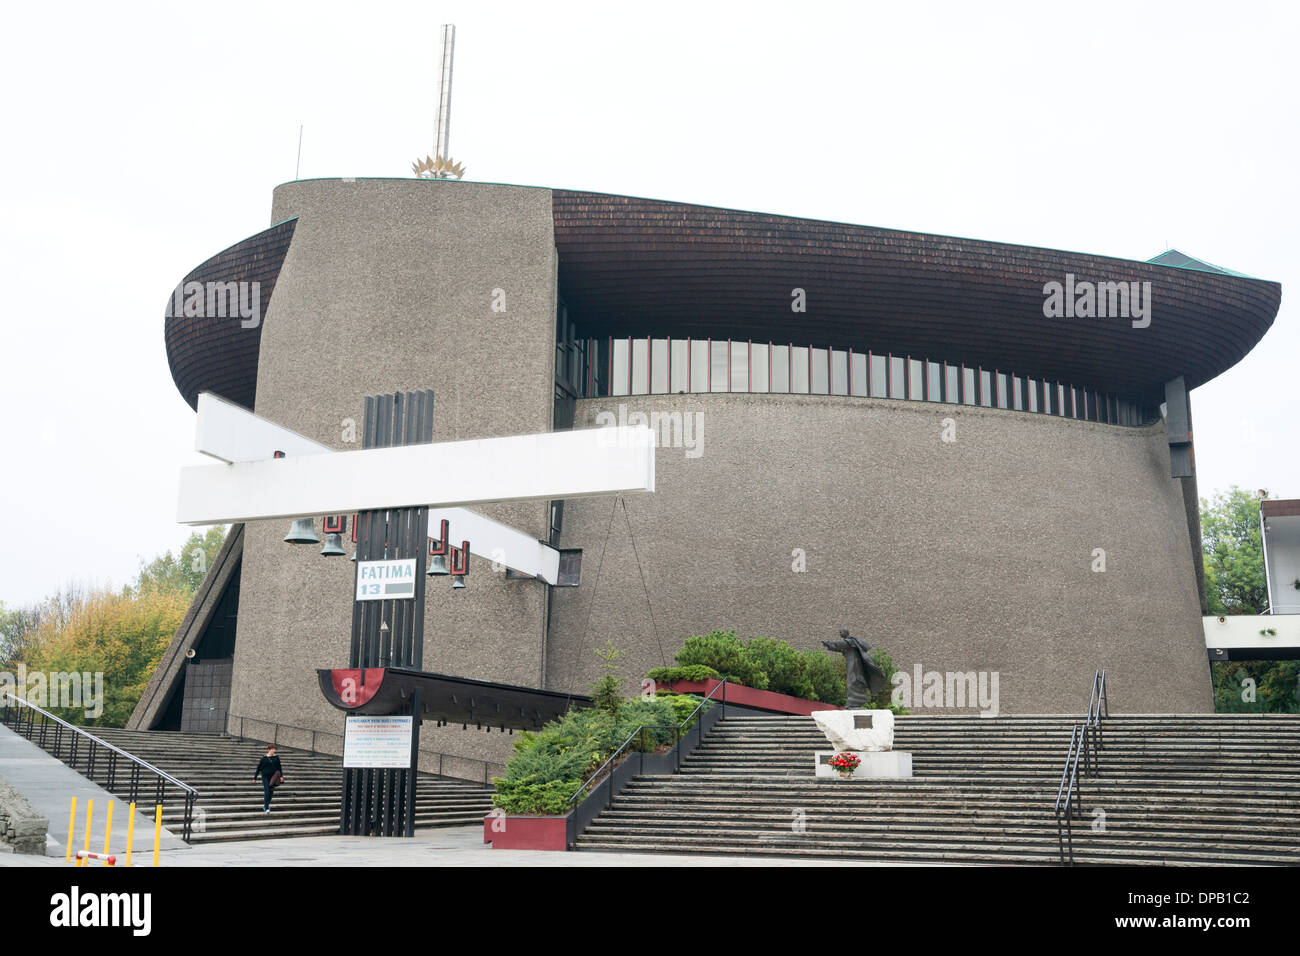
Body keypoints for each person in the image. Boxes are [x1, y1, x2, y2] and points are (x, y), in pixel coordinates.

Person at [253, 744, 284, 813]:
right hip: (265, 777)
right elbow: (259, 768)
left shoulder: (276, 757)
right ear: (269, 750)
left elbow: (279, 767)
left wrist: (281, 776)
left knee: (271, 792)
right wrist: (255, 777)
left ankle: (266, 805)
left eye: (274, 749)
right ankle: (266, 807)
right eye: (272, 749)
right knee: (267, 791)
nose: (274, 750)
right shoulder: (264, 758)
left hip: (273, 777)